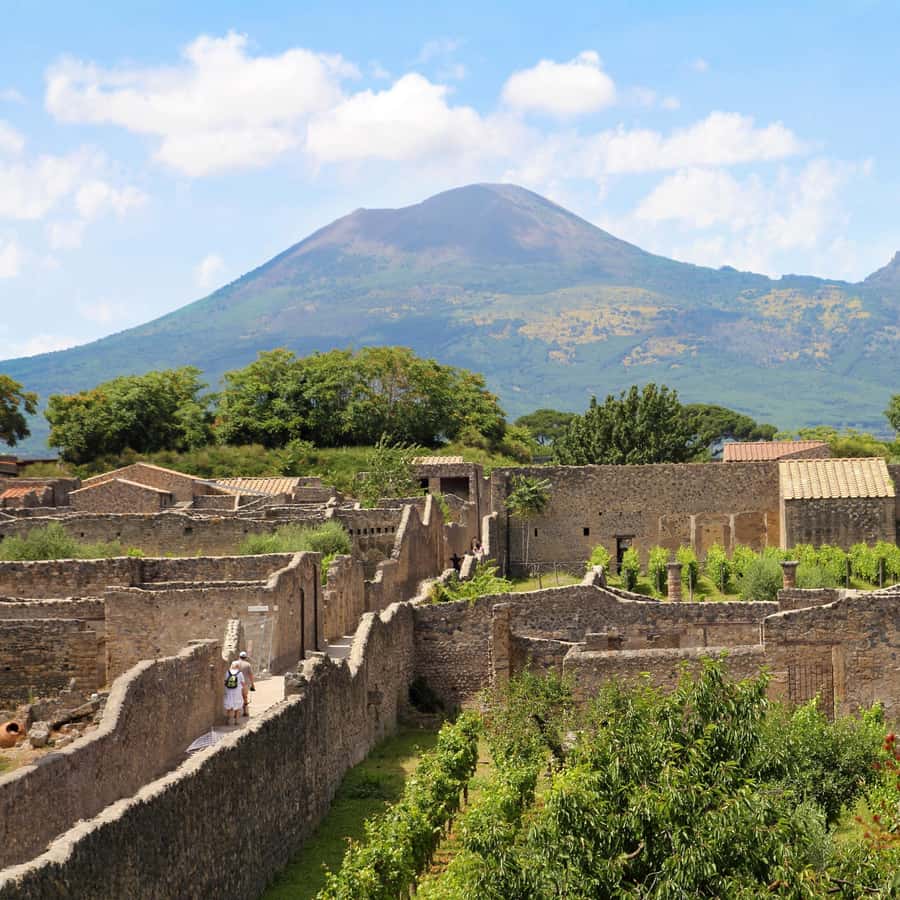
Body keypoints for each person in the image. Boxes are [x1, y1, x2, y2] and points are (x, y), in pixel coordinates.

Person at [223, 661, 245, 726]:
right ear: (238, 666)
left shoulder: (227, 672)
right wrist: (243, 688)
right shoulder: (240, 673)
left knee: (229, 705)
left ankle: (228, 721)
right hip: (237, 691)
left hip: (229, 691)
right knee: (237, 706)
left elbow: (225, 681)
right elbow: (243, 683)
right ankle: (236, 721)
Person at [236, 650, 255, 717]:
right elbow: (251, 675)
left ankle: (236, 713)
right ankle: (245, 712)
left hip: (236, 683)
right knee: (244, 697)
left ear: (239, 656)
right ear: (245, 657)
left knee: (236, 697)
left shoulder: (235, 663)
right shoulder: (248, 665)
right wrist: (252, 684)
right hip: (245, 684)